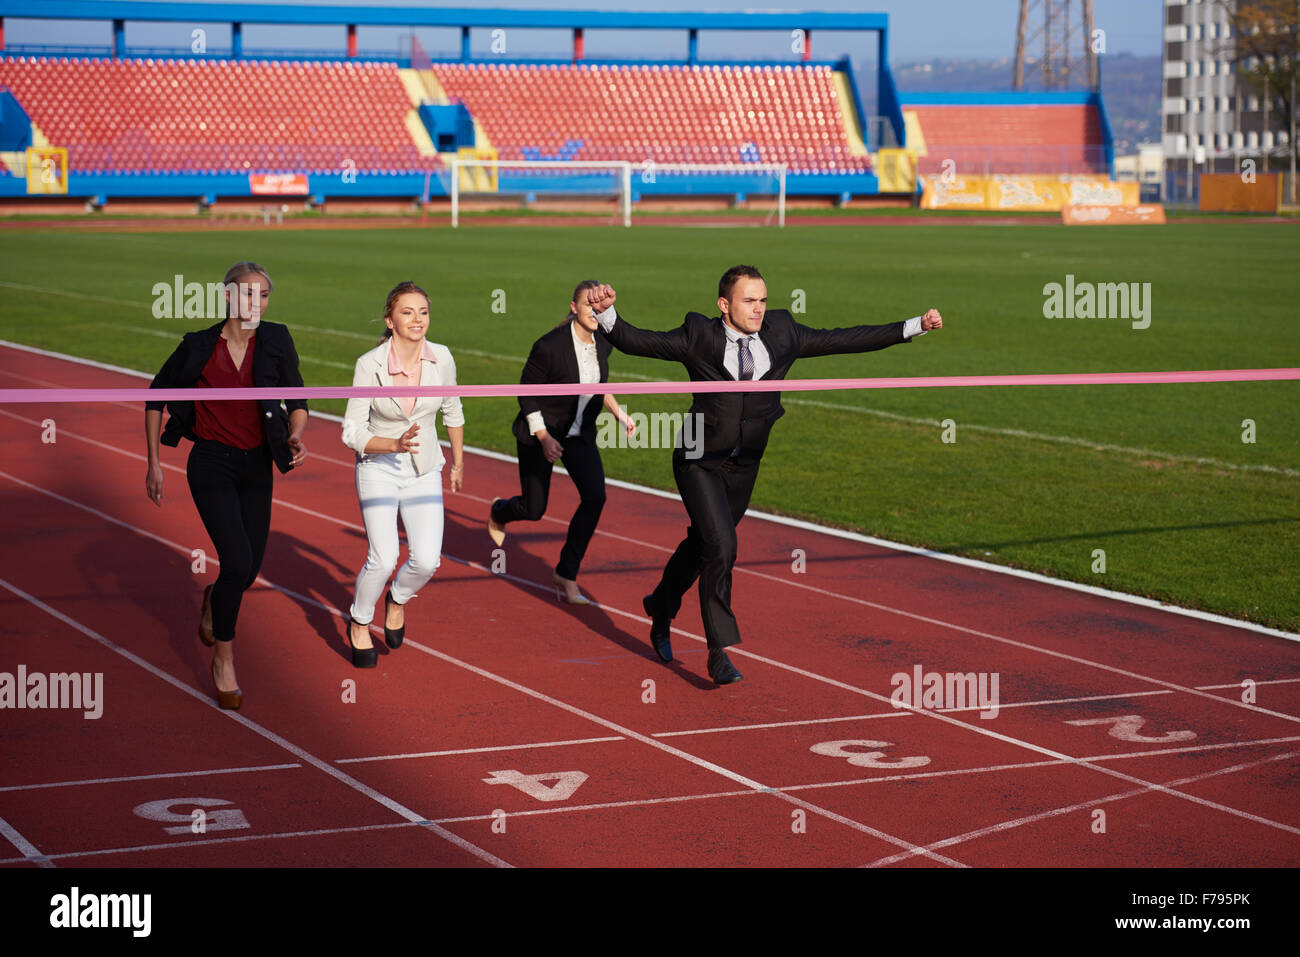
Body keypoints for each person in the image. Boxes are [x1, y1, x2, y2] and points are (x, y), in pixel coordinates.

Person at [588, 265, 943, 685]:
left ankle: (662, 604)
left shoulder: (783, 333)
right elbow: (640, 342)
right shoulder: (699, 335)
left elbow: (843, 339)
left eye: (762, 300)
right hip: (698, 458)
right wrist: (609, 315)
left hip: (745, 464)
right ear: (724, 305)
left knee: (705, 544)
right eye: (748, 301)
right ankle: (718, 651)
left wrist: (913, 327)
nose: (758, 309)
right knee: (722, 545)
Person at [145, 261, 309, 710]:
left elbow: (297, 398)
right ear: (228, 297)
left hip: (257, 465)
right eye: (248, 294)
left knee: (247, 570)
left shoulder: (276, 339)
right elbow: (157, 394)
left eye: (264, 295)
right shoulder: (198, 346)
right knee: (236, 558)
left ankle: (215, 596)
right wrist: (154, 463)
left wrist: (295, 433)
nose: (256, 303)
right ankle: (224, 659)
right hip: (211, 463)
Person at [487, 279, 637, 604]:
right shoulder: (549, 346)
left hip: (579, 435)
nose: (595, 312)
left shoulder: (604, 342)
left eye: (599, 307)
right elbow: (526, 395)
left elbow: (599, 383)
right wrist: (543, 437)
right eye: (588, 305)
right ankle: (500, 511)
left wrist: (619, 413)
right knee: (534, 509)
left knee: (595, 497)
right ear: (573, 308)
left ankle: (566, 573)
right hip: (541, 432)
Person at [341, 281, 465, 667]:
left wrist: (457, 462)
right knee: (383, 556)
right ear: (390, 320)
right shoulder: (370, 364)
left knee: (427, 560)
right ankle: (360, 622)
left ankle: (397, 598)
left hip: (423, 467)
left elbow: (453, 409)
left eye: (423, 312)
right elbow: (352, 431)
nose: (417, 319)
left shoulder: (441, 358)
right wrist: (392, 445)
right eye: (407, 312)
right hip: (378, 467)